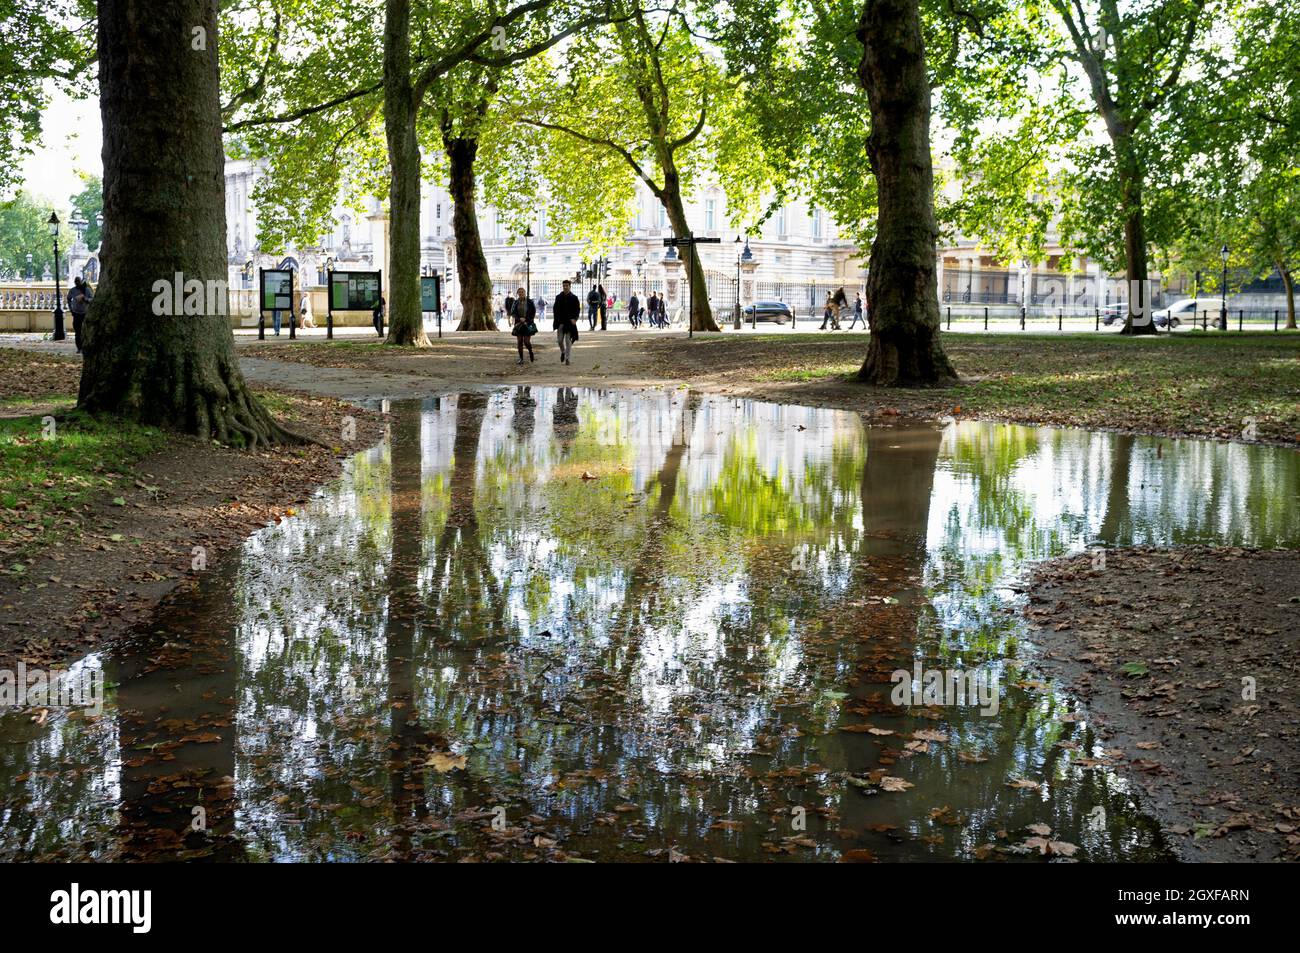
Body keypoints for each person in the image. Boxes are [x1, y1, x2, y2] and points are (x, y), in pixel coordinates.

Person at [554, 278, 581, 365]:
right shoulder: (558, 297)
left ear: (570, 286)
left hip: (569, 323)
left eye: (567, 286)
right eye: (564, 286)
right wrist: (556, 321)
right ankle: (563, 352)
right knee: (559, 341)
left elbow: (577, 310)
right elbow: (555, 310)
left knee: (568, 341)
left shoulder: (574, 298)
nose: (565, 287)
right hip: (561, 322)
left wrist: (575, 319)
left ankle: (567, 359)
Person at [509, 286, 537, 364]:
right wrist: (519, 318)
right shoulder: (515, 302)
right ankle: (521, 358)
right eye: (519, 292)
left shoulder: (530, 302)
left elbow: (533, 312)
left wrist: (526, 320)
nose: (521, 293)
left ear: (525, 293)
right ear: (517, 293)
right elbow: (513, 312)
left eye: (522, 292)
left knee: (526, 342)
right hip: (519, 324)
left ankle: (530, 351)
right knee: (519, 341)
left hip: (528, 324)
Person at [67, 276, 92, 353]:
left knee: (86, 331)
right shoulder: (72, 290)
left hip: (85, 313)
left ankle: (85, 347)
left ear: (81, 281)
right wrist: (71, 309)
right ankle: (79, 348)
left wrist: (85, 299)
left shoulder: (87, 290)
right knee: (77, 332)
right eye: (76, 281)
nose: (77, 283)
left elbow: (92, 299)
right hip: (76, 313)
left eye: (78, 281)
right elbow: (68, 299)